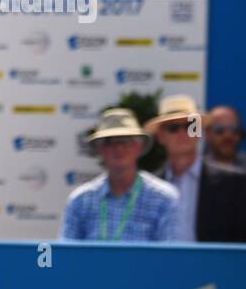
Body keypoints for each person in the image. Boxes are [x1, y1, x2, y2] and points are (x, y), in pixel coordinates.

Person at [60, 108, 179, 242]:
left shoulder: (164, 198)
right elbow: (67, 256)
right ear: (100, 149)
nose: (118, 148)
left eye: (126, 140)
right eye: (110, 141)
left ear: (139, 146)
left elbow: (169, 258)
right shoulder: (80, 200)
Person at [148, 94, 246, 243]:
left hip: (215, 266)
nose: (183, 133)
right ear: (160, 136)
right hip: (162, 265)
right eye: (173, 128)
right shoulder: (149, 188)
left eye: (190, 125)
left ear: (199, 132)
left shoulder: (236, 183)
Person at [204, 104, 245, 173]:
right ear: (207, 134)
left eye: (234, 129)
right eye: (220, 130)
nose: (228, 136)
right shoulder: (195, 173)